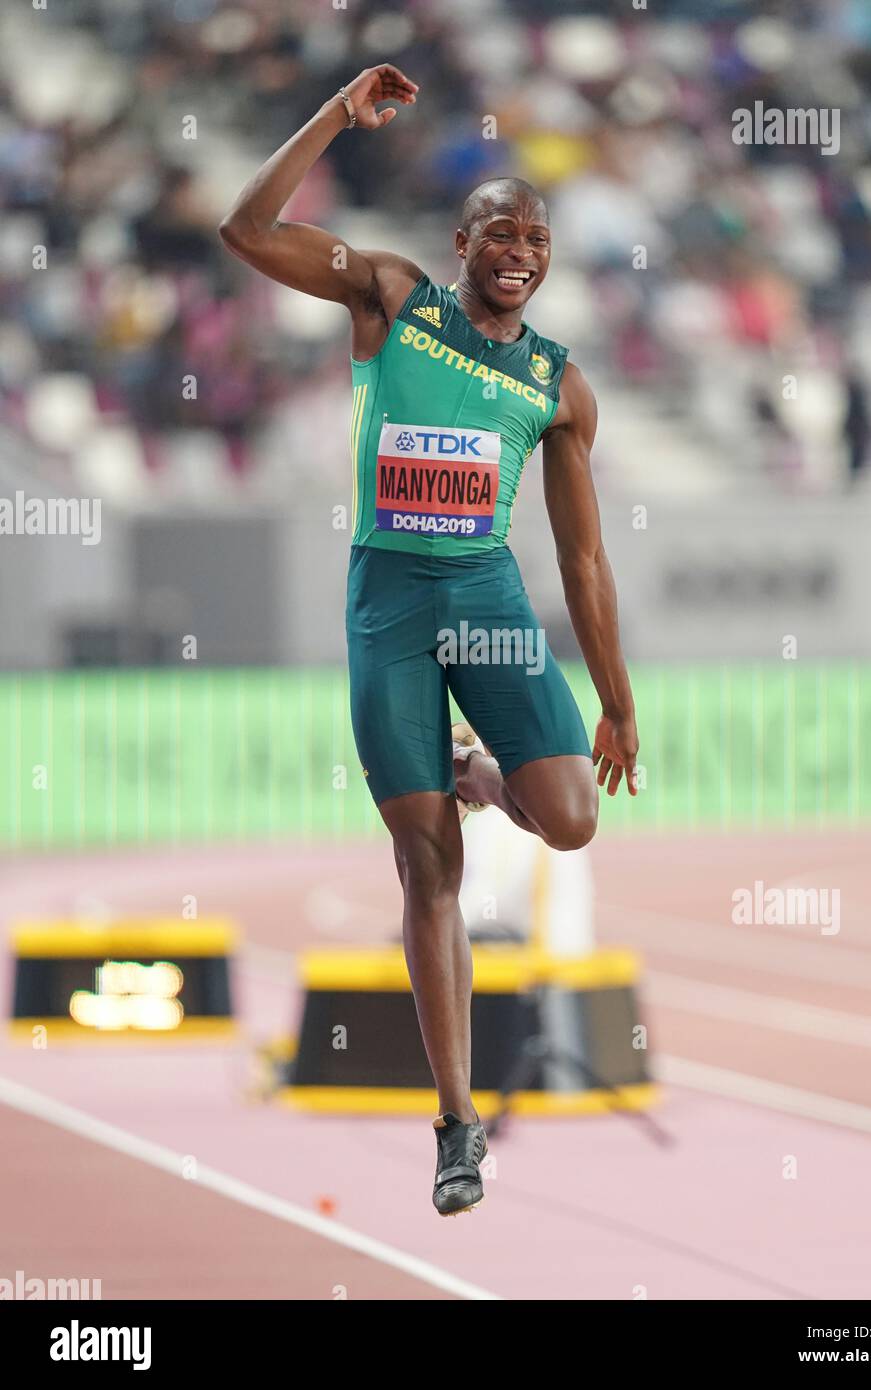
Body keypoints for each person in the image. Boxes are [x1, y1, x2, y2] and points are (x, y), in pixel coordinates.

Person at [219, 64, 638, 1216]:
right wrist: (334, 119)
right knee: (425, 866)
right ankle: (456, 1126)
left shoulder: (557, 387)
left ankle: (475, 769)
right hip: (389, 602)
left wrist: (615, 697)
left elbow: (584, 559)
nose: (520, 252)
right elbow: (243, 229)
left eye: (537, 239)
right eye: (500, 232)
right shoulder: (393, 298)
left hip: (492, 605)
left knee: (566, 818)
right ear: (462, 240)